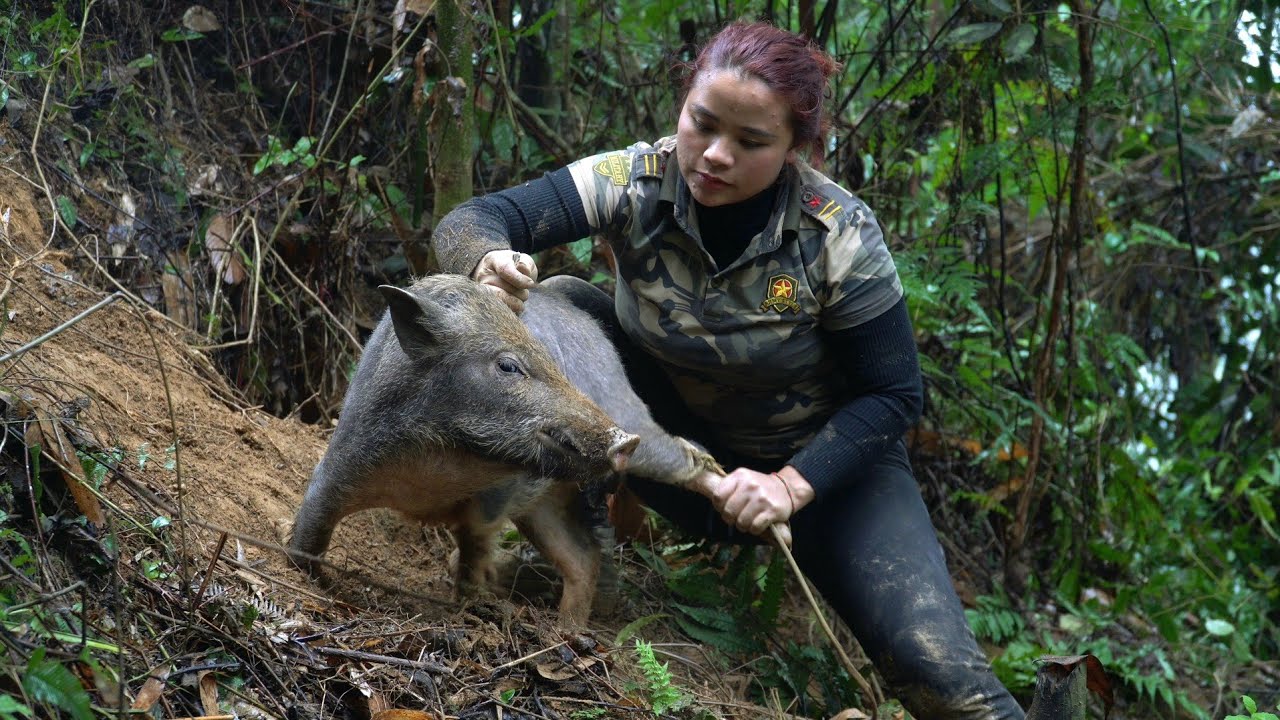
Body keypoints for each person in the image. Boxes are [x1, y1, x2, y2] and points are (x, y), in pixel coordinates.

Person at [430, 20, 1025, 720]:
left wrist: (789, 485)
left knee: (949, 686)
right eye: (702, 124)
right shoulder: (633, 181)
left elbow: (893, 393)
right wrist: (486, 261)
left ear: (795, 149)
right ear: (682, 105)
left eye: (751, 143)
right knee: (561, 306)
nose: (715, 155)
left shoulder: (838, 234)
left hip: (826, 479)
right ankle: (559, 535)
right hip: (674, 448)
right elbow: (478, 216)